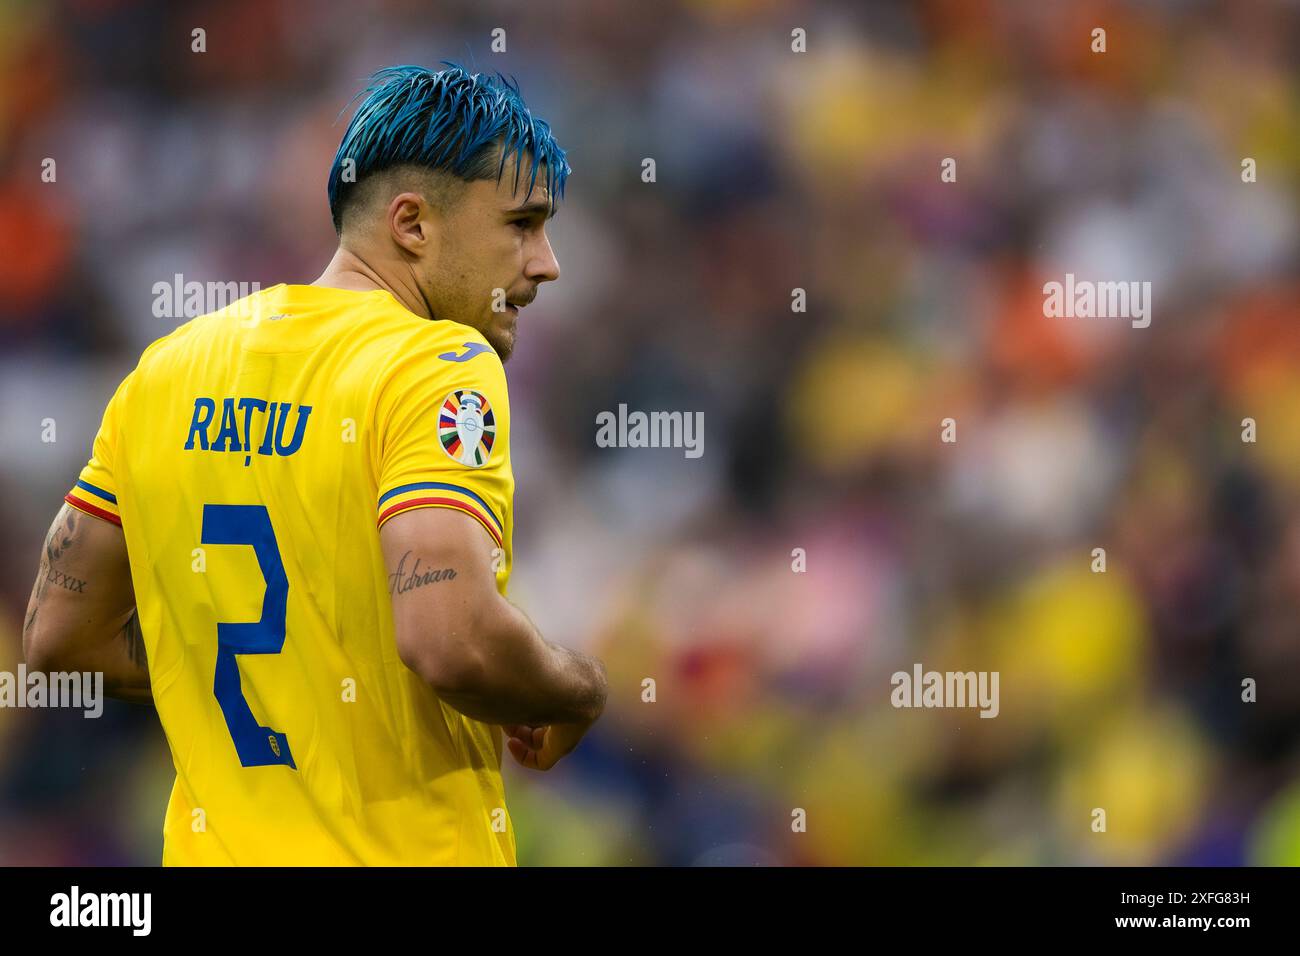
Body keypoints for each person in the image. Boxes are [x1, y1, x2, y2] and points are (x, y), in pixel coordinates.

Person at [21, 63, 608, 866]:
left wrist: (283, 673)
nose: (546, 263)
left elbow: (58, 638)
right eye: (522, 223)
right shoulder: (435, 365)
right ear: (412, 225)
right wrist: (577, 689)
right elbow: (454, 641)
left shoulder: (167, 370)